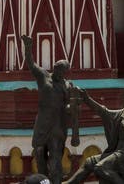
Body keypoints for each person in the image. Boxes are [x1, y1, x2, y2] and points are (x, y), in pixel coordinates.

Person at [63, 82, 124, 184]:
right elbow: (103, 112)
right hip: (119, 151)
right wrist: (87, 99)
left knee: (101, 167)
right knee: (89, 162)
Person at [21, 34, 74, 184]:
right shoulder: (44, 76)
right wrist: (28, 47)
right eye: (57, 69)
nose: (59, 72)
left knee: (56, 157)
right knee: (40, 154)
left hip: (58, 125)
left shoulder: (68, 85)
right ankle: (43, 181)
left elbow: (69, 104)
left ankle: (56, 182)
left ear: (65, 72)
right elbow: (31, 65)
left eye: (62, 71)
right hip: (42, 123)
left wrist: (71, 108)